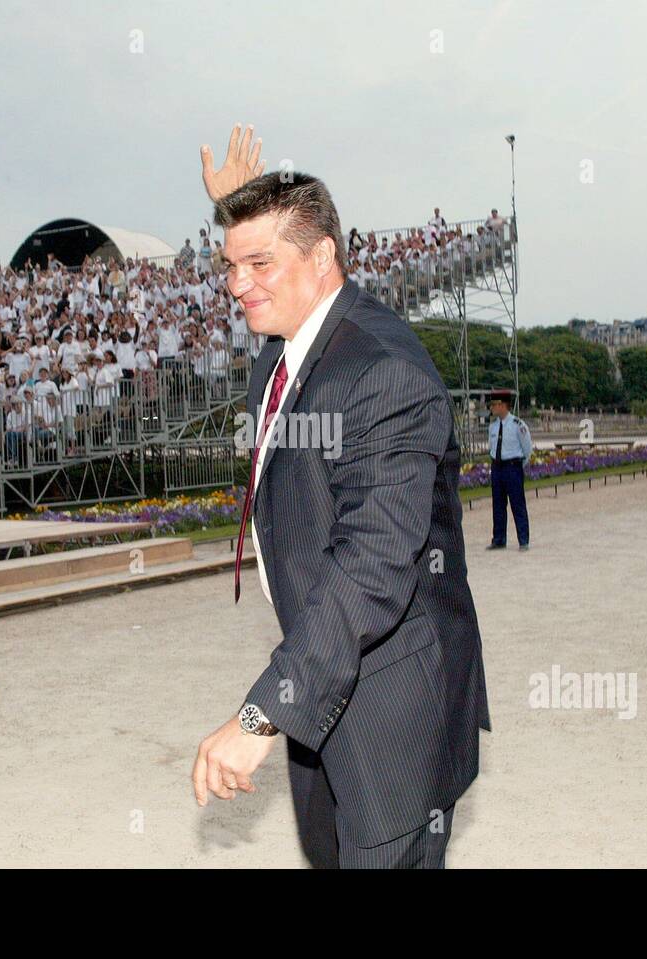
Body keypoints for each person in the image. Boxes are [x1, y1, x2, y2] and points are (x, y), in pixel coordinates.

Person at [190, 125, 490, 869]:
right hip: (325, 683)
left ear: (323, 257)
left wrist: (261, 714)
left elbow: (370, 568)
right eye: (230, 265)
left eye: (258, 263)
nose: (237, 284)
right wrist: (241, 211)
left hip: (390, 708)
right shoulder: (292, 341)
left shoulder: (383, 372)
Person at [486, 388, 532, 551]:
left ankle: (523, 539)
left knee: (517, 504)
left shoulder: (518, 425)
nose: (491, 408)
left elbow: (527, 449)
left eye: (494, 404)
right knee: (498, 505)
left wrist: (518, 465)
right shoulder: (492, 427)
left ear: (503, 405)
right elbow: (491, 448)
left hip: (512, 467)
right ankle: (499, 539)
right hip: (497, 467)